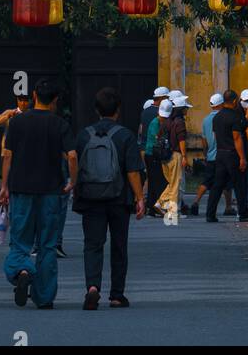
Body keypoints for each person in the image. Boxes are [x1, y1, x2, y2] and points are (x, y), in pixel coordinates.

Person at [0, 78, 76, 309]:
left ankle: (22, 269)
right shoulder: (59, 124)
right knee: (48, 244)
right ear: (54, 100)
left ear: (34, 95)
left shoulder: (18, 122)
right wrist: (73, 180)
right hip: (51, 190)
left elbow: (8, 156)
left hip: (21, 188)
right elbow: (71, 155)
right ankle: (44, 297)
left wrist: (4, 186)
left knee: (20, 241)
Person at [75, 86, 145, 309]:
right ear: (118, 110)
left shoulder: (84, 135)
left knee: (92, 245)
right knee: (118, 246)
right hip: (118, 199)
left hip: (90, 197)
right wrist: (140, 198)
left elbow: (75, 165)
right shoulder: (125, 135)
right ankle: (116, 295)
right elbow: (133, 171)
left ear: (96, 110)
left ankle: (93, 287)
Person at [205, 89, 248, 222]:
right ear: (235, 101)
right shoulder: (235, 117)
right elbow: (237, 138)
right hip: (232, 154)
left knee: (217, 185)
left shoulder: (217, 117)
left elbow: (215, 135)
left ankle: (210, 214)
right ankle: (243, 213)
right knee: (239, 184)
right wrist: (242, 158)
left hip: (220, 153)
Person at [190, 92, 231, 217]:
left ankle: (196, 202)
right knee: (226, 182)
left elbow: (204, 140)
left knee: (207, 181)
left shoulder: (205, 120)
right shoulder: (224, 118)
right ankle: (228, 207)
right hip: (223, 154)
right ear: (221, 104)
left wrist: (206, 153)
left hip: (211, 155)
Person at [157, 93, 191, 222]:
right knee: (176, 184)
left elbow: (158, 136)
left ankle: (161, 203)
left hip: (165, 156)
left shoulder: (167, 122)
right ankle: (172, 212)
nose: (187, 110)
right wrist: (184, 156)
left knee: (172, 183)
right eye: (186, 108)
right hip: (176, 154)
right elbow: (181, 140)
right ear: (181, 109)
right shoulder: (180, 122)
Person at [141, 86, 170, 215]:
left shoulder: (145, 112)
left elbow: (141, 130)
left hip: (146, 149)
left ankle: (151, 205)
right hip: (155, 151)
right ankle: (159, 205)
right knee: (159, 180)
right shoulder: (158, 115)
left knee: (151, 179)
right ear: (162, 98)